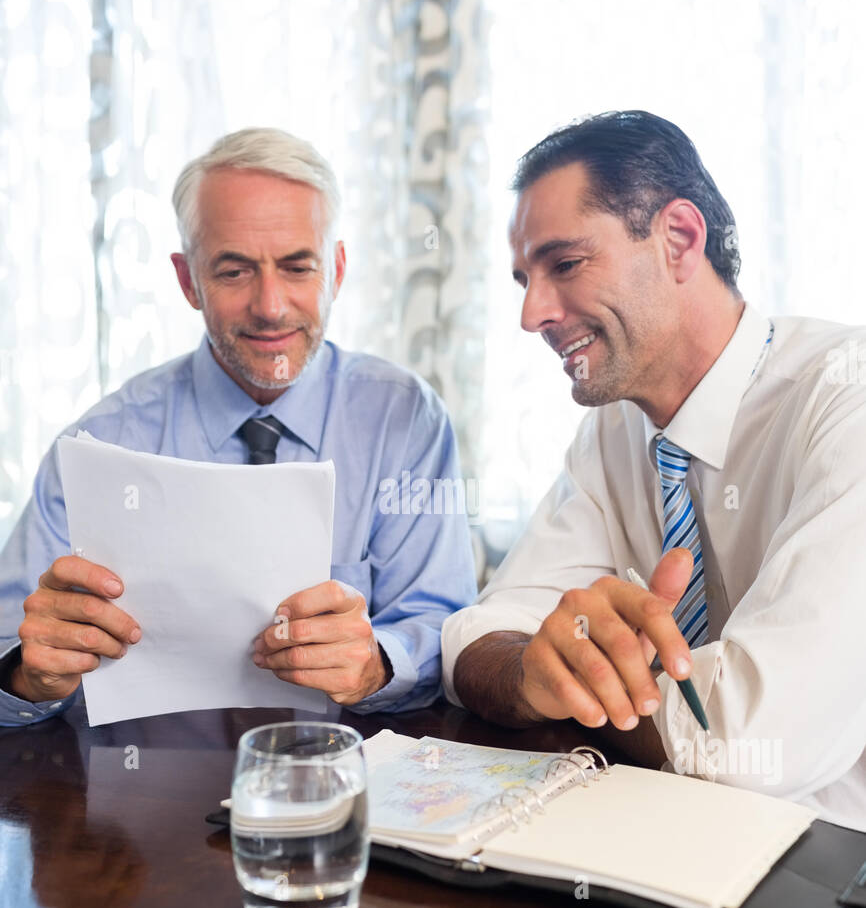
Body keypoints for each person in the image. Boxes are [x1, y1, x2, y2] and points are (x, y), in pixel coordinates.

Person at [442, 110, 866, 832]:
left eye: (565, 264)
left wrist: (578, 685)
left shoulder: (846, 397)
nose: (531, 313)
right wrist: (538, 670)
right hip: (669, 846)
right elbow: (481, 636)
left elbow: (747, 741)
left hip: (834, 879)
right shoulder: (609, 433)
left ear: (679, 239)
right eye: (524, 278)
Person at [0, 127, 477, 726]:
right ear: (187, 280)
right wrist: (30, 673)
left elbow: (444, 628)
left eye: (298, 267)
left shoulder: (405, 421)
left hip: (348, 782)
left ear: (337, 270)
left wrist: (379, 662)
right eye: (234, 271)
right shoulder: (100, 442)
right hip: (138, 796)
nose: (271, 305)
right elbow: (10, 655)